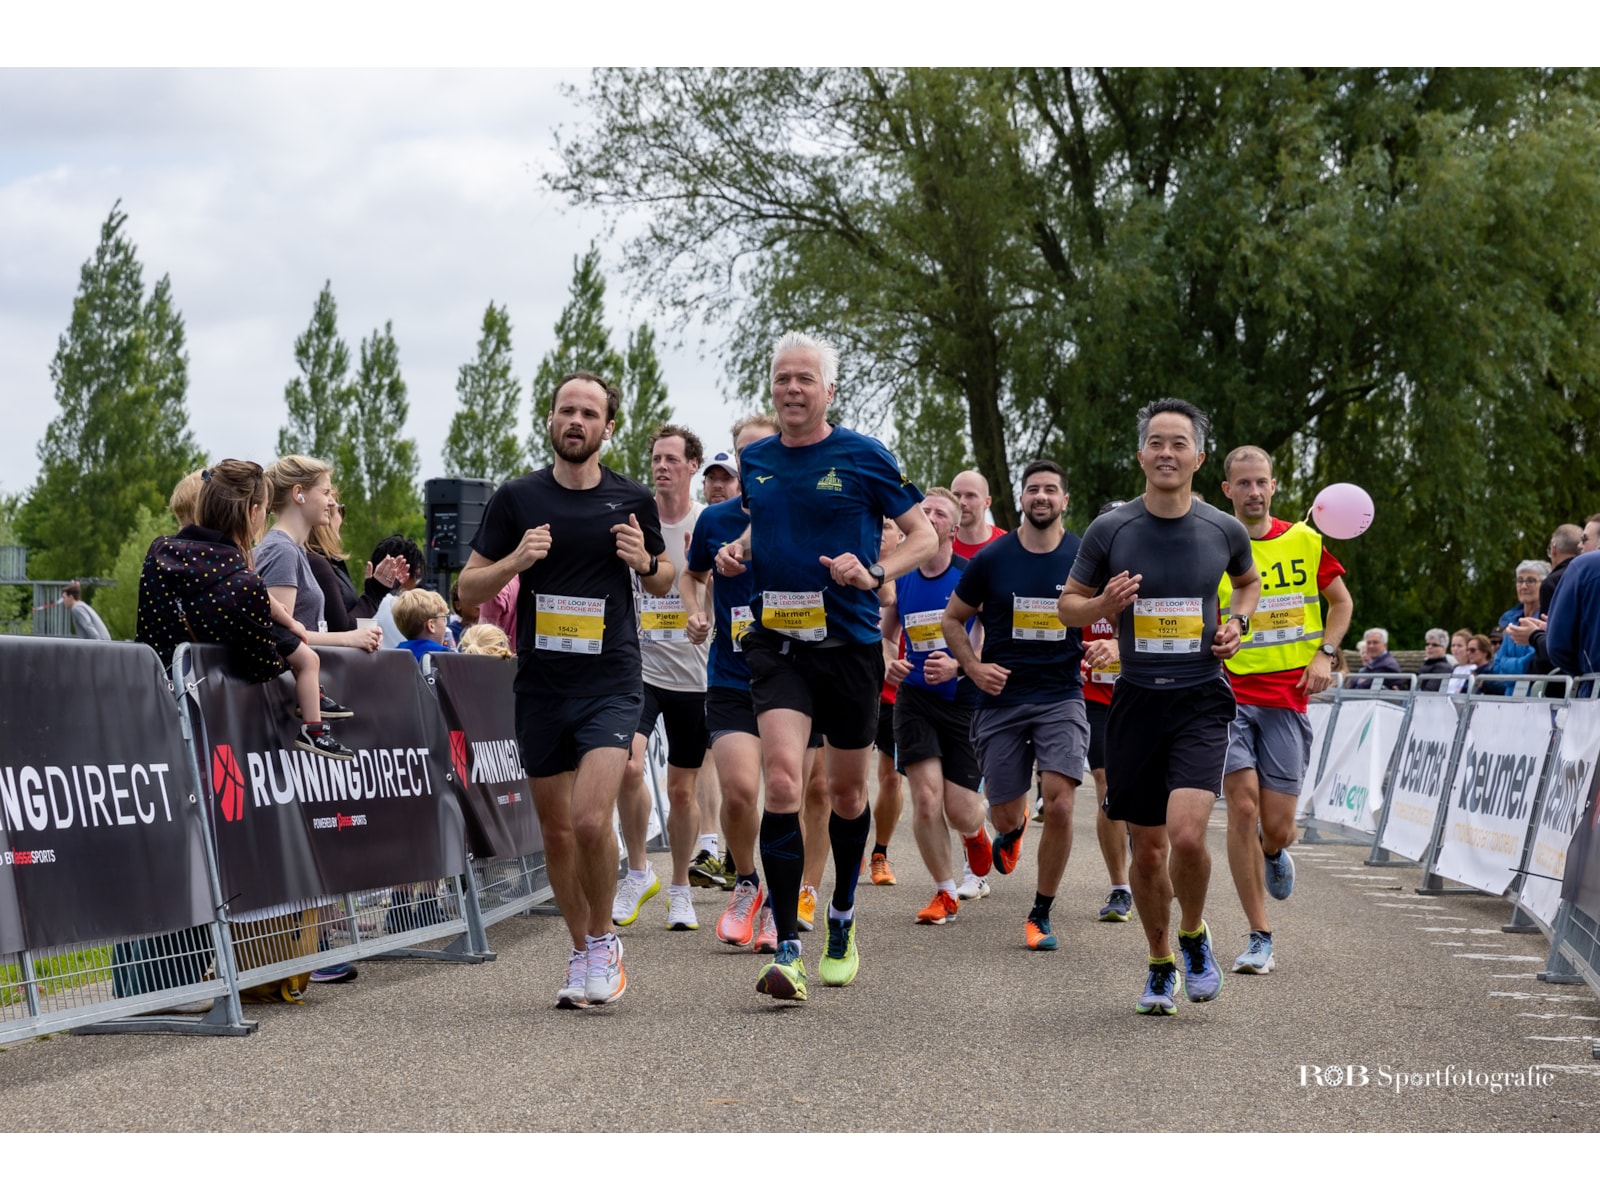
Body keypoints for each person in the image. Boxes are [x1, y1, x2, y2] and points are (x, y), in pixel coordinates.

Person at [715, 331, 935, 1001]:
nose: (791, 389)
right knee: (782, 783)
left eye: (804, 379)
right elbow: (770, 522)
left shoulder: (864, 457)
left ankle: (841, 913)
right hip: (778, 645)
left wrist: (873, 571)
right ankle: (787, 946)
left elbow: (923, 536)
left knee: (845, 794)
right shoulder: (756, 461)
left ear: (828, 390)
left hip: (849, 649)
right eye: (782, 378)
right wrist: (739, 551)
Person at [459, 370, 671, 1009]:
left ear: (609, 427)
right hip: (542, 687)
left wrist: (642, 562)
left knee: (587, 820)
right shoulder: (517, 499)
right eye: (565, 411)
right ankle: (580, 952)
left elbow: (663, 581)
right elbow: (466, 592)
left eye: (589, 413)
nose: (576, 421)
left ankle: (605, 942)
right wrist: (515, 562)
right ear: (550, 421)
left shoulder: (632, 498)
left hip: (610, 681)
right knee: (555, 833)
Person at [1058, 398, 1259, 1016]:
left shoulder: (1223, 529)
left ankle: (1194, 935)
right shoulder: (1111, 529)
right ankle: (1158, 961)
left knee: (1188, 836)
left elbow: (1247, 585)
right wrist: (1101, 608)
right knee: (1147, 850)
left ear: (1199, 456)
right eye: (1156, 443)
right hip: (1136, 702)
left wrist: (1237, 623)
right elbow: (1068, 603)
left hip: (1201, 696)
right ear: (1140, 454)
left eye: (1179, 443)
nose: (1167, 453)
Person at [1215, 445, 1352, 975]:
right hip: (1228, 696)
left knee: (1278, 827)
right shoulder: (1215, 545)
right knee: (1241, 809)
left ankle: (1273, 853)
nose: (1253, 491)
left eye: (1261, 482)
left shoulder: (1305, 539)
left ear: (1273, 486)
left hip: (1289, 700)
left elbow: (1341, 603)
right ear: (1227, 490)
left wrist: (1326, 653)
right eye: (1243, 483)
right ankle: (1259, 935)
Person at [944, 460, 1087, 949]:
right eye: (1033, 490)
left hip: (1060, 695)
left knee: (1062, 801)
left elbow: (1111, 611)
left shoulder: (1084, 556)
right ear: (1020, 500)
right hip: (1000, 699)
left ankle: (1040, 913)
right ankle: (1012, 828)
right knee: (1004, 816)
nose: (1041, 496)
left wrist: (1109, 645)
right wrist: (974, 667)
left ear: (1065, 500)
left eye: (1051, 489)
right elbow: (952, 620)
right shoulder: (993, 557)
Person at [684, 414, 789, 951]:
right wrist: (695, 611)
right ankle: (746, 882)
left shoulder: (799, 514)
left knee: (785, 792)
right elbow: (690, 573)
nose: (752, 464)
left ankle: (782, 903)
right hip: (730, 674)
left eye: (761, 452)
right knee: (743, 789)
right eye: (743, 456)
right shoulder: (714, 521)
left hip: (792, 674)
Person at [613, 423, 712, 932]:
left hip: (695, 676)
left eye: (672, 458)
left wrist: (705, 619)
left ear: (692, 466)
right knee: (628, 766)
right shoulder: (633, 517)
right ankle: (637, 871)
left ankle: (679, 888)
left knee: (682, 791)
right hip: (641, 668)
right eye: (656, 458)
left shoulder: (708, 522)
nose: (661, 466)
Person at [879, 488, 992, 927]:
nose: (928, 516)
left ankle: (977, 832)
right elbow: (888, 636)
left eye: (938, 512)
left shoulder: (970, 576)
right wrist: (892, 663)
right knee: (926, 800)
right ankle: (945, 892)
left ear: (954, 526)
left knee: (961, 809)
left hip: (962, 700)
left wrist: (961, 666)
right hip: (915, 701)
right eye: (923, 511)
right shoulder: (901, 576)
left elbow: (988, 640)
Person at [1080, 500, 1132, 922]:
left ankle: (1151, 863)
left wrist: (1118, 643)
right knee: (1106, 786)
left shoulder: (1152, 573)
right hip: (1096, 702)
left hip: (1147, 696)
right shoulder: (1082, 580)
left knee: (1154, 796)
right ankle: (1120, 887)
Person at [870, 516, 906, 887]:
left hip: (895, 693)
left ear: (901, 535)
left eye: (888, 525)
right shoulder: (853, 563)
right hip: (854, 685)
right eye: (876, 524)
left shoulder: (910, 574)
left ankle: (880, 852)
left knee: (891, 779)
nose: (881, 532)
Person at [950, 469, 1007, 560]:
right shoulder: (940, 546)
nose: (961, 502)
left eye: (970, 495)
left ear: (987, 502)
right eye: (956, 495)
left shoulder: (1007, 545)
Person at [394, 588, 453, 661]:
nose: (445, 625)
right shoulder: (445, 655)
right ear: (431, 625)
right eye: (444, 619)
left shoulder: (395, 654)